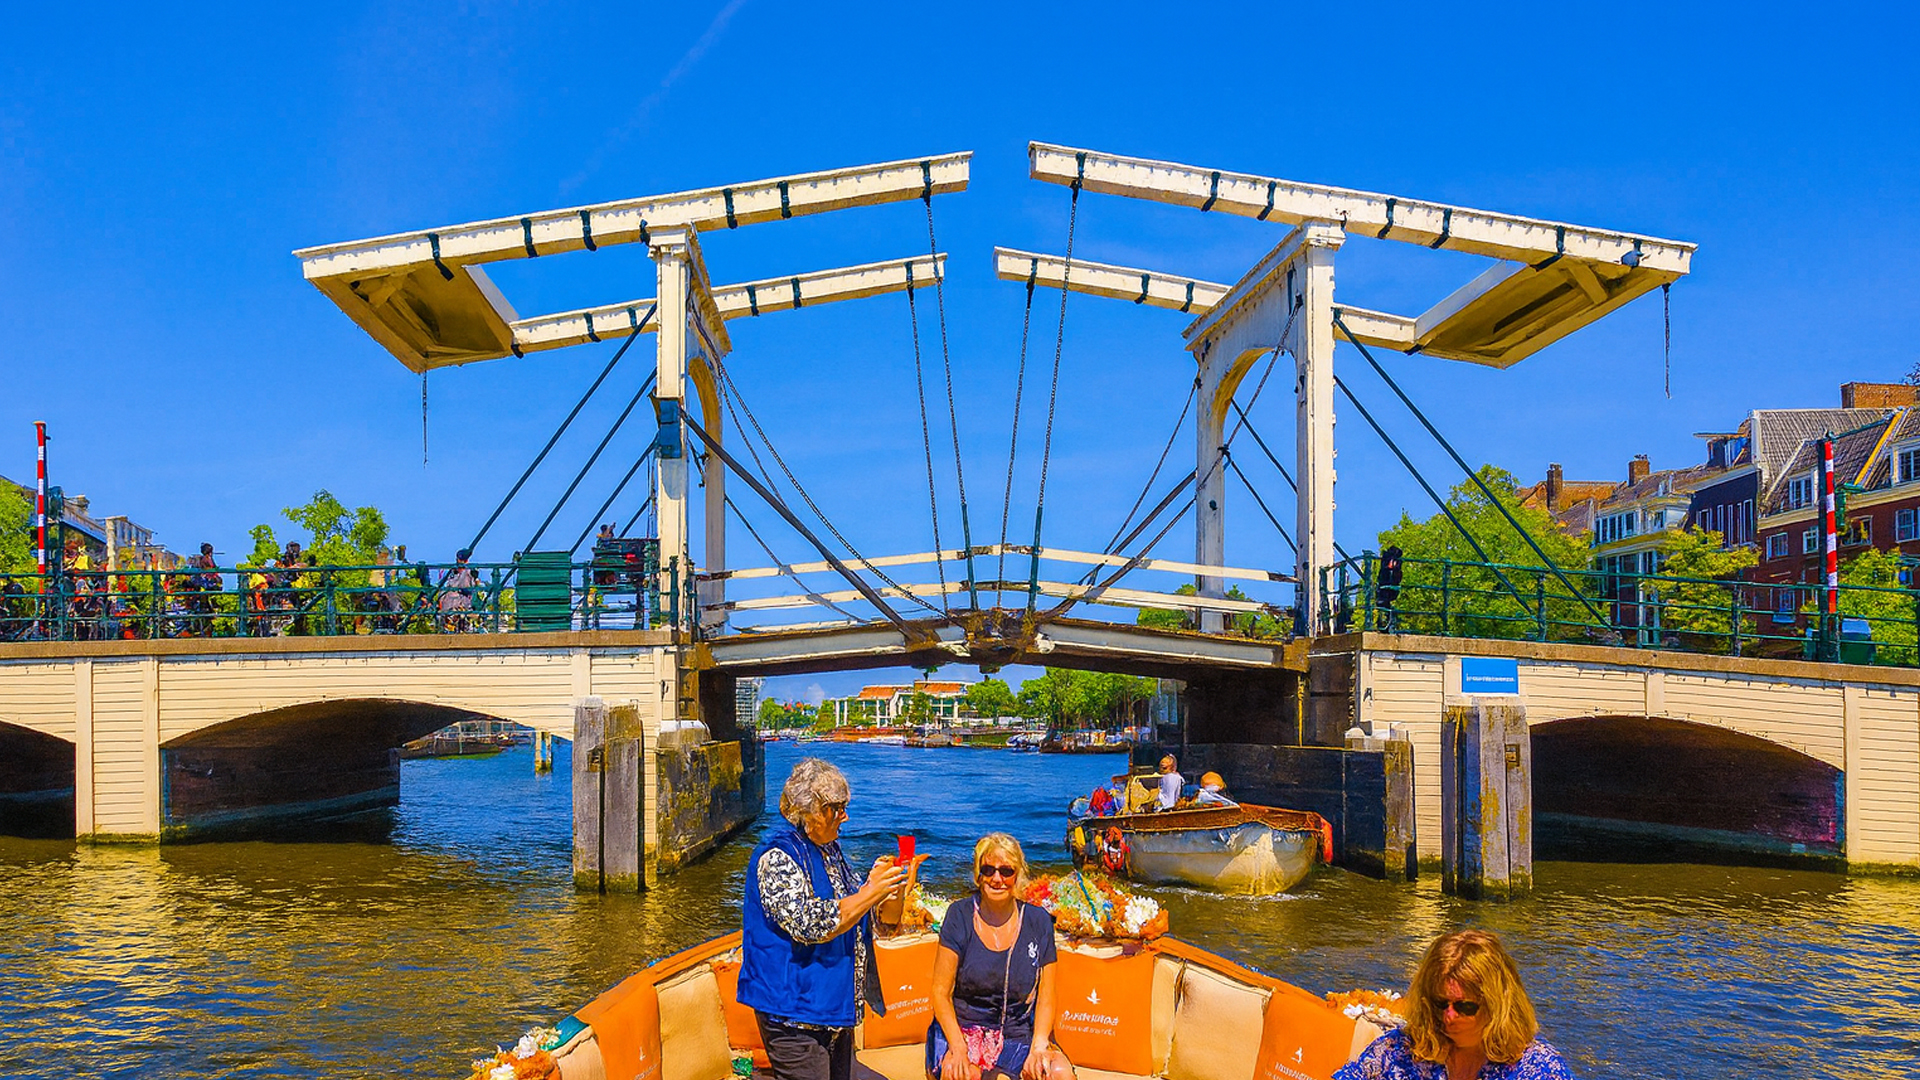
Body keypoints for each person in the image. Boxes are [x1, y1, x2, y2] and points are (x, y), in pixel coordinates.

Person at [739, 758, 907, 1080]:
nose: (844, 816)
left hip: (832, 1010)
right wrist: (871, 892)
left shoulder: (831, 851)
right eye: (836, 807)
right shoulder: (777, 857)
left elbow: (872, 920)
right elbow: (811, 923)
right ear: (809, 810)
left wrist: (889, 891)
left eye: (845, 806)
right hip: (793, 1016)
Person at [1335, 929, 1571, 1080]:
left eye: (1464, 1007)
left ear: (1497, 1007)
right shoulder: (1400, 1048)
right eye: (1440, 1003)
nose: (1448, 1016)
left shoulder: (1540, 1070)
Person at [929, 834, 1073, 1080]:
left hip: (1016, 1032)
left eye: (1006, 871)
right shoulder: (959, 915)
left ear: (1017, 875)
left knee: (1058, 1072)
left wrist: (1039, 1045)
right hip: (963, 1030)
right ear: (978, 875)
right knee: (964, 1075)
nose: (997, 879)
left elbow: (1047, 994)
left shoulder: (1038, 921)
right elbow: (940, 993)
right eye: (989, 870)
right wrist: (958, 1047)